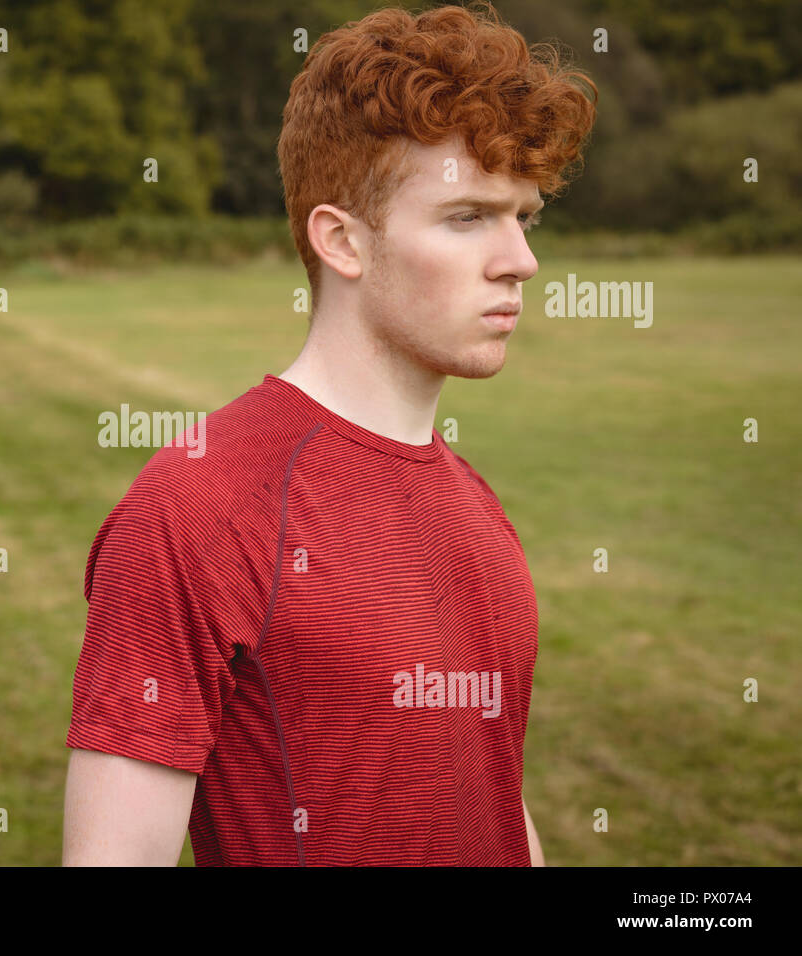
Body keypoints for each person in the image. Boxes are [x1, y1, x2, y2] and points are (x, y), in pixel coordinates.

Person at [63, 0, 596, 866]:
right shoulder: (198, 507)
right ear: (341, 241)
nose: (521, 260)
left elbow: (492, 797)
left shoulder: (477, 507)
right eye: (468, 218)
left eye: (524, 217)